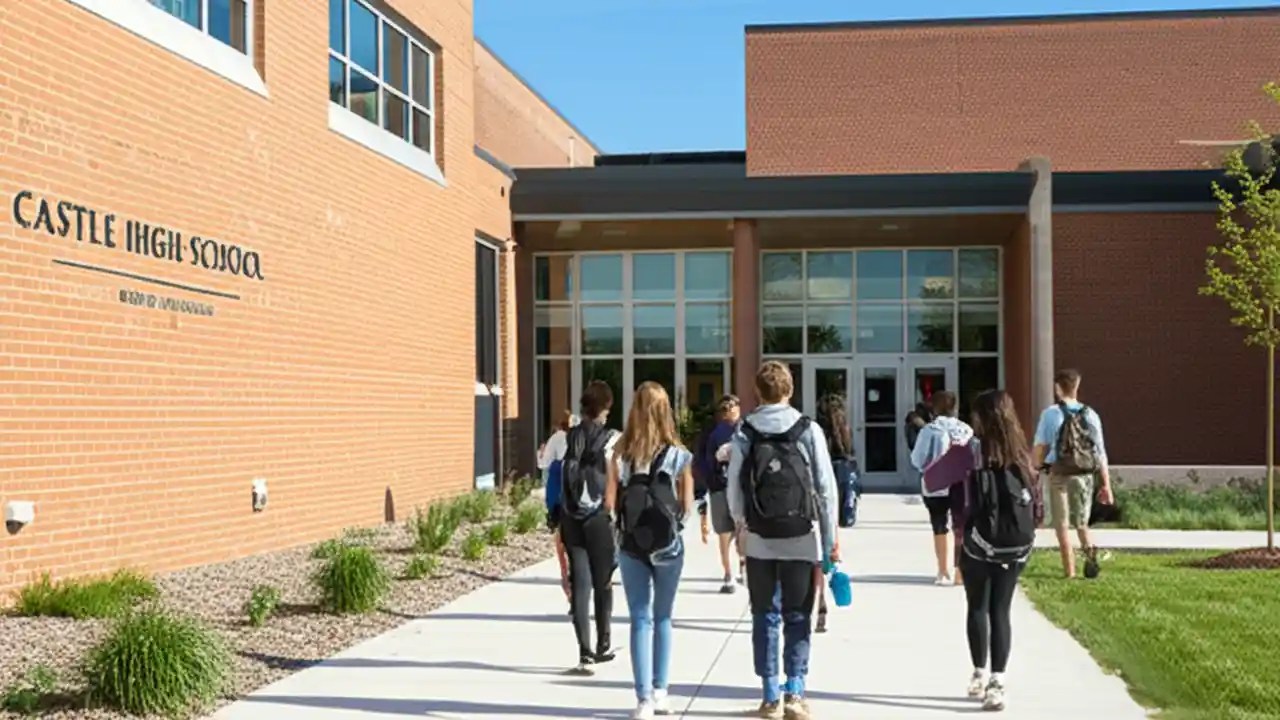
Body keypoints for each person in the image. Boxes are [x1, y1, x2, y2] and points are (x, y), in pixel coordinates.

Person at [727, 361, 839, 720]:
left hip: (760, 538)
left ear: (758, 392)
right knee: (797, 615)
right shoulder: (808, 429)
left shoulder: (745, 431)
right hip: (801, 538)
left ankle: (770, 695)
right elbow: (825, 488)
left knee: (764, 614)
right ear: (789, 390)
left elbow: (734, 488)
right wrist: (830, 537)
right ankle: (796, 691)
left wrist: (741, 527)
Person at [606, 382, 695, 720]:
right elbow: (686, 506)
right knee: (663, 617)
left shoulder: (619, 453)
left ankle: (642, 699)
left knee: (639, 619)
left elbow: (611, 504)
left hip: (631, 545)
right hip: (668, 545)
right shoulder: (679, 454)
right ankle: (661, 692)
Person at [958, 389, 1041, 712]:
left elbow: (931, 477)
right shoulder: (1023, 455)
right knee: (1001, 610)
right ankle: (998, 681)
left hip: (979, 543)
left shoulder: (970, 451)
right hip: (1016, 546)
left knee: (977, 607)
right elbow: (1037, 506)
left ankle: (978, 673)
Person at [559, 381, 621, 673]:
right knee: (603, 581)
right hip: (599, 517)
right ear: (605, 407)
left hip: (571, 517)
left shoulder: (566, 438)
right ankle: (603, 643)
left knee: (580, 583)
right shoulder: (613, 440)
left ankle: (583, 651)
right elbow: (618, 478)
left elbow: (547, 468)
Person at [1032, 369, 1113, 579]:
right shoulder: (1091, 414)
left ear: (1057, 388)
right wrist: (1106, 486)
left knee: (1062, 524)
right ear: (1077, 386)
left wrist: (1037, 467)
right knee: (1081, 523)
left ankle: (1070, 572)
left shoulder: (1050, 414)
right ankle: (1090, 554)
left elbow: (1040, 446)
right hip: (1084, 475)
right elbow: (1100, 453)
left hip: (1059, 473)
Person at [909, 391, 974, 586]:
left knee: (939, 526)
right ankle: (960, 572)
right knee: (960, 527)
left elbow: (917, 459)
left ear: (934, 408)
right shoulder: (966, 430)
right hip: (961, 484)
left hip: (935, 486)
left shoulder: (929, 430)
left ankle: (942, 570)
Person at [812, 392, 857, 633]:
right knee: (830, 550)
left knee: (816, 557)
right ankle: (821, 600)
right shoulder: (846, 434)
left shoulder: (815, 435)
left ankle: (819, 603)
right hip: (837, 498)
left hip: (816, 498)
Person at [696, 394, 745, 593]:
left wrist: (707, 486)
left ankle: (730, 575)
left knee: (725, 534)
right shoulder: (744, 432)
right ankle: (741, 568)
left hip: (719, 488)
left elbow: (704, 464)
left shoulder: (712, 434)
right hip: (737, 488)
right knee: (740, 530)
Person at [538, 410, 577, 601]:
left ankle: (566, 578)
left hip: (557, 495)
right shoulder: (580, 438)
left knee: (560, 540)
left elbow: (543, 464)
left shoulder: (556, 438)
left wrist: (541, 453)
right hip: (576, 497)